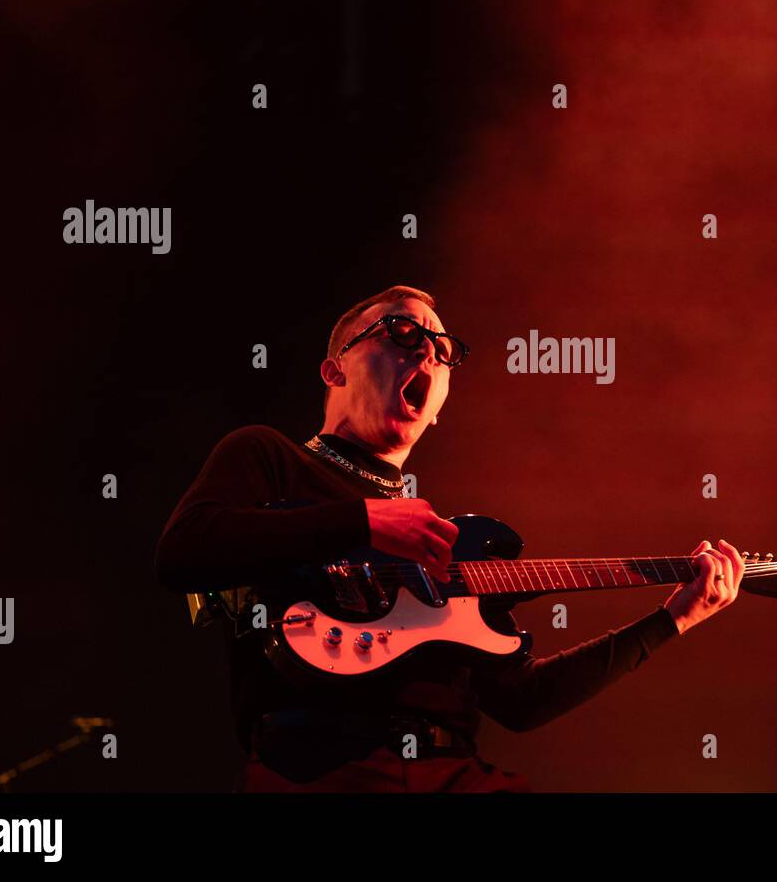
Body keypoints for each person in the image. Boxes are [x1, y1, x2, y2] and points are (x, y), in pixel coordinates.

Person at [155, 285, 746, 791]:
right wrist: (365, 521)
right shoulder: (268, 455)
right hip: (320, 769)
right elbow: (185, 551)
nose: (429, 354)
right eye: (403, 331)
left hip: (454, 774)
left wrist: (673, 620)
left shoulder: (450, 542)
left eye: (443, 351)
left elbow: (521, 700)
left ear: (438, 407)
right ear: (335, 368)